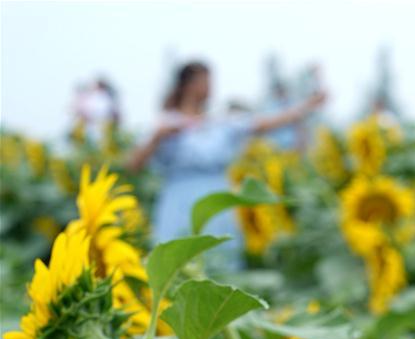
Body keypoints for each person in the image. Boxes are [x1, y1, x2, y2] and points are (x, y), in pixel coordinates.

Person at [128, 60, 326, 263]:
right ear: (189, 85)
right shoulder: (166, 122)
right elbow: (133, 165)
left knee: (220, 260)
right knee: (179, 260)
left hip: (218, 200)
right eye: (206, 81)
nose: (211, 88)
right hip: (179, 201)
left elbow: (263, 124)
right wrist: (157, 137)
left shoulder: (219, 121)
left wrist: (305, 107)